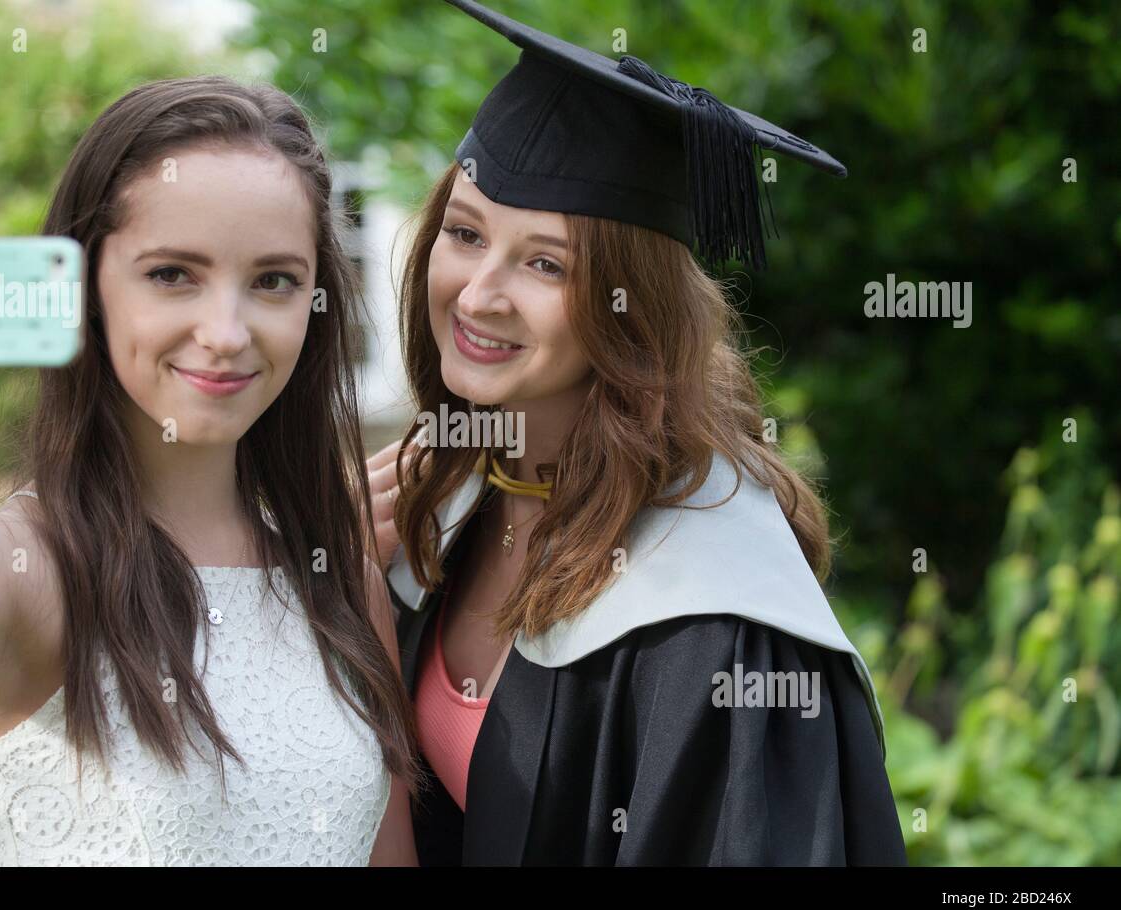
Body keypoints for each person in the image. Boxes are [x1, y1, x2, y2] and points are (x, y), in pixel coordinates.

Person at [0, 76, 419, 866]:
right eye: (172, 274)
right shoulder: (16, 565)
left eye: (273, 280)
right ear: (89, 290)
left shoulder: (340, 579)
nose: (226, 332)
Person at [366, 0, 907, 865]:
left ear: (629, 306)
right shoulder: (448, 502)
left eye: (546, 262)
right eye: (465, 235)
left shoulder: (717, 620)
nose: (477, 295)